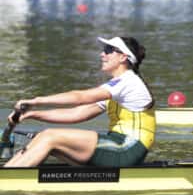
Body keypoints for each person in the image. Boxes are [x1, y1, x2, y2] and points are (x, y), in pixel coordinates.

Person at [4, 37, 155, 168]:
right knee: (43, 137)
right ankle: (8, 171)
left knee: (50, 136)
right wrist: (32, 114)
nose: (102, 54)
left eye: (109, 50)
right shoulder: (115, 85)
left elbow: (80, 97)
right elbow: (77, 113)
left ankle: (7, 179)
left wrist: (36, 101)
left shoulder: (128, 82)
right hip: (117, 145)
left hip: (127, 148)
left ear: (123, 57)